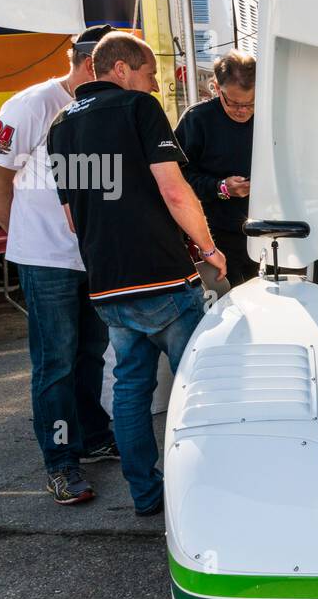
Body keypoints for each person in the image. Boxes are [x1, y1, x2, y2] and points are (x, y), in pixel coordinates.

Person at [47, 32, 226, 517]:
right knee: (198, 381)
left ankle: (146, 494)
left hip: (106, 282)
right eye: (148, 76)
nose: (151, 87)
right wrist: (209, 248)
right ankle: (208, 490)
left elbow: (72, 217)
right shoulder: (138, 110)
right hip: (162, 276)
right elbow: (174, 190)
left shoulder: (61, 127)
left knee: (129, 388)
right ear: (122, 69)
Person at [0, 24, 118, 506]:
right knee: (55, 362)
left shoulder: (107, 108)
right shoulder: (32, 104)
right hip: (47, 262)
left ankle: (94, 435)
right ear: (91, 65)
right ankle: (61, 462)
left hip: (95, 259)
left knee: (90, 353)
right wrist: (25, 239)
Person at [175, 51, 258, 282]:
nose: (243, 111)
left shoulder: (269, 115)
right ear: (216, 88)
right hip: (215, 236)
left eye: (250, 103)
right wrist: (220, 187)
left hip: (266, 233)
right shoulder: (197, 120)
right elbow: (176, 179)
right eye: (233, 103)